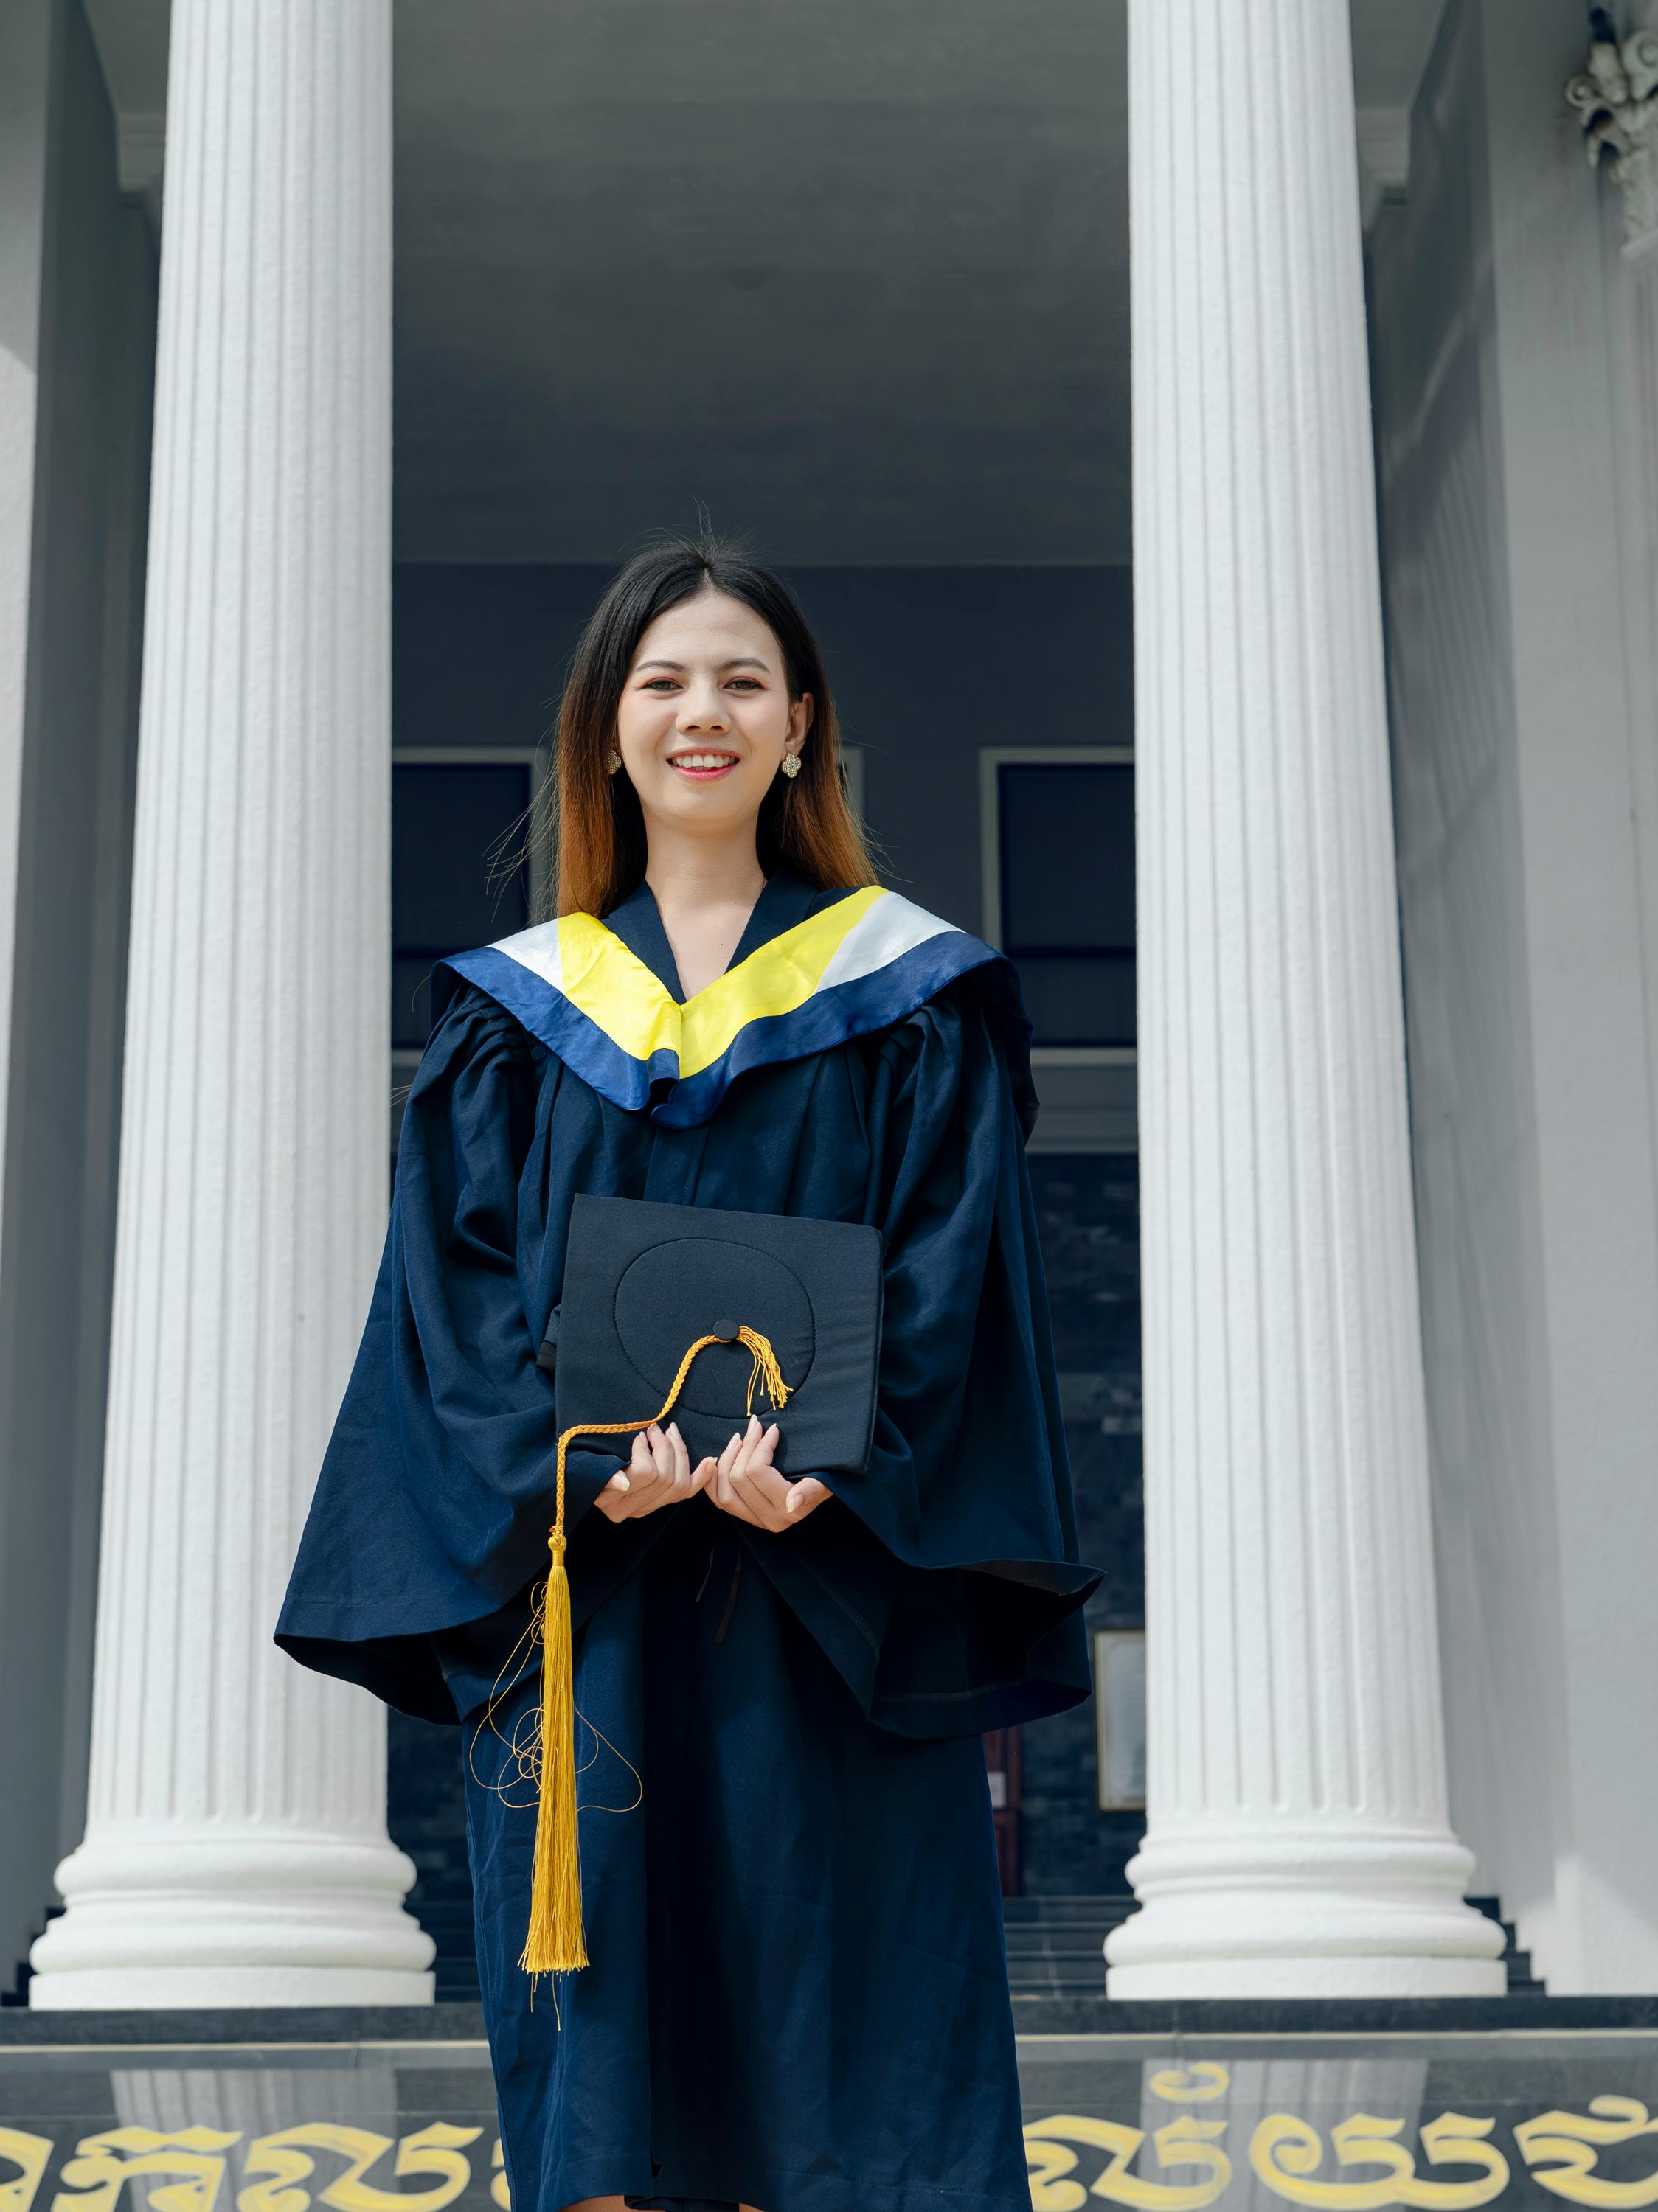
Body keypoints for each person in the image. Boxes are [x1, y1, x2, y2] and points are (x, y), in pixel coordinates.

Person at [277, 538, 1099, 2212]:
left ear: (802, 727)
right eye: (662, 682)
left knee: (844, 2078)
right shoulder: (517, 1018)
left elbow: (949, 1281)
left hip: (830, 1617)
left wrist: (834, 1467)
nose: (701, 712)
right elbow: (455, 1304)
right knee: (611, 2098)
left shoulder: (913, 1000)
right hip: (601, 1621)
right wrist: (586, 1471)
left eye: (741, 681)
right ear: (609, 730)